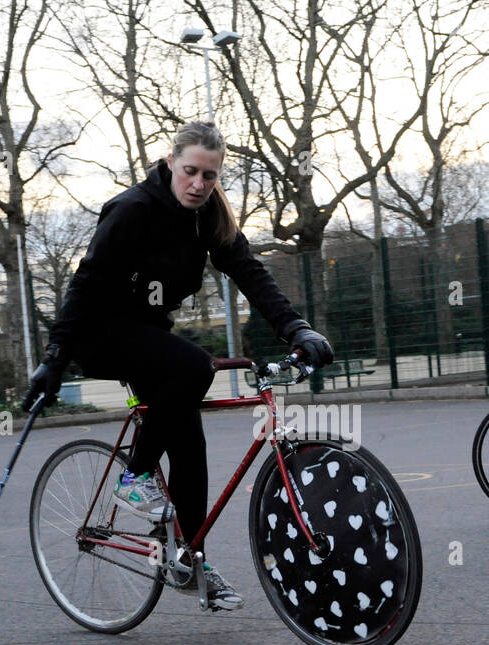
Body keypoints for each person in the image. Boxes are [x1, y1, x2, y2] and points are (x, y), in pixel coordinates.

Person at [21, 122, 334, 611]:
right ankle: (135, 478)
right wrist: (53, 362)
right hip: (99, 334)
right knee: (195, 367)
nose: (198, 184)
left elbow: (250, 273)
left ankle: (190, 560)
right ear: (170, 163)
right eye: (190, 171)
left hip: (148, 338)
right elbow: (84, 286)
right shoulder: (133, 211)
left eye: (209, 176)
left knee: (190, 446)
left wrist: (298, 329)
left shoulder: (208, 216)